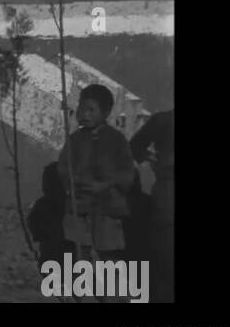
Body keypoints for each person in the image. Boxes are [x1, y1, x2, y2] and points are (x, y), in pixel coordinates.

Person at [57, 84, 136, 266]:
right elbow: (63, 167)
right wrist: (74, 182)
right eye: (82, 109)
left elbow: (127, 172)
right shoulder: (75, 140)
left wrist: (107, 184)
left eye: (91, 109)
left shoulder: (116, 140)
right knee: (80, 249)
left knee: (107, 251)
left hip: (107, 206)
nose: (85, 114)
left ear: (106, 113)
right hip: (80, 203)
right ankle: (82, 287)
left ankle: (109, 289)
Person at [130, 109, 174, 302]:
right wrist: (155, 160)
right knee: (165, 256)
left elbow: (136, 146)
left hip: (167, 193)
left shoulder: (163, 120)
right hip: (168, 192)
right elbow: (135, 146)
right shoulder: (164, 120)